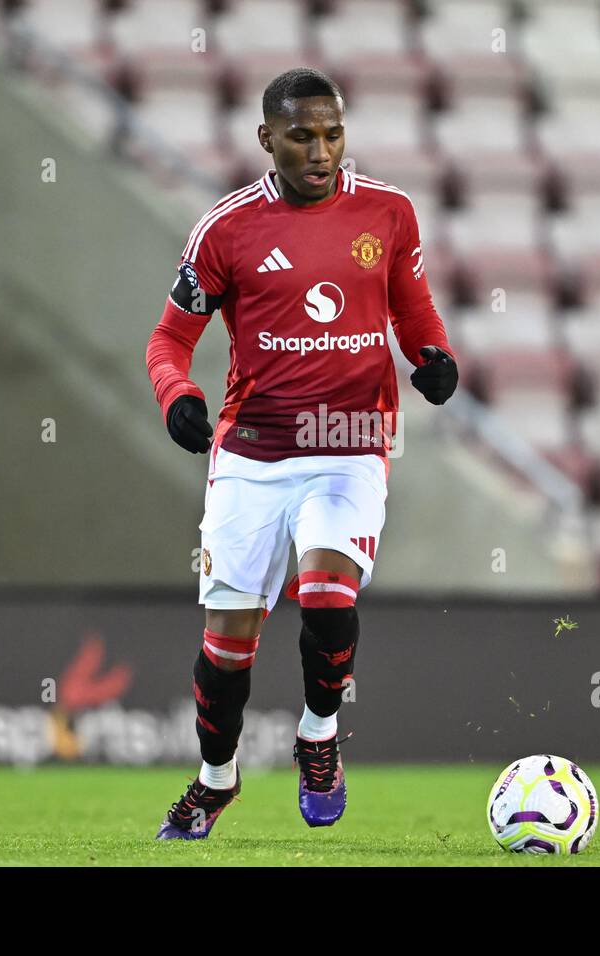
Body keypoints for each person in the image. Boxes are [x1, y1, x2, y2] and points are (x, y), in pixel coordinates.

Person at [145, 67, 458, 839]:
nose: (321, 152)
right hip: (252, 451)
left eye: (332, 134)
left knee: (325, 593)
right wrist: (176, 394)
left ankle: (319, 735)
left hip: (350, 441)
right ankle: (216, 781)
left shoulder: (389, 213)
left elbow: (412, 306)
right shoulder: (225, 231)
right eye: (301, 136)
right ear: (266, 140)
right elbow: (168, 339)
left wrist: (432, 354)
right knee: (227, 648)